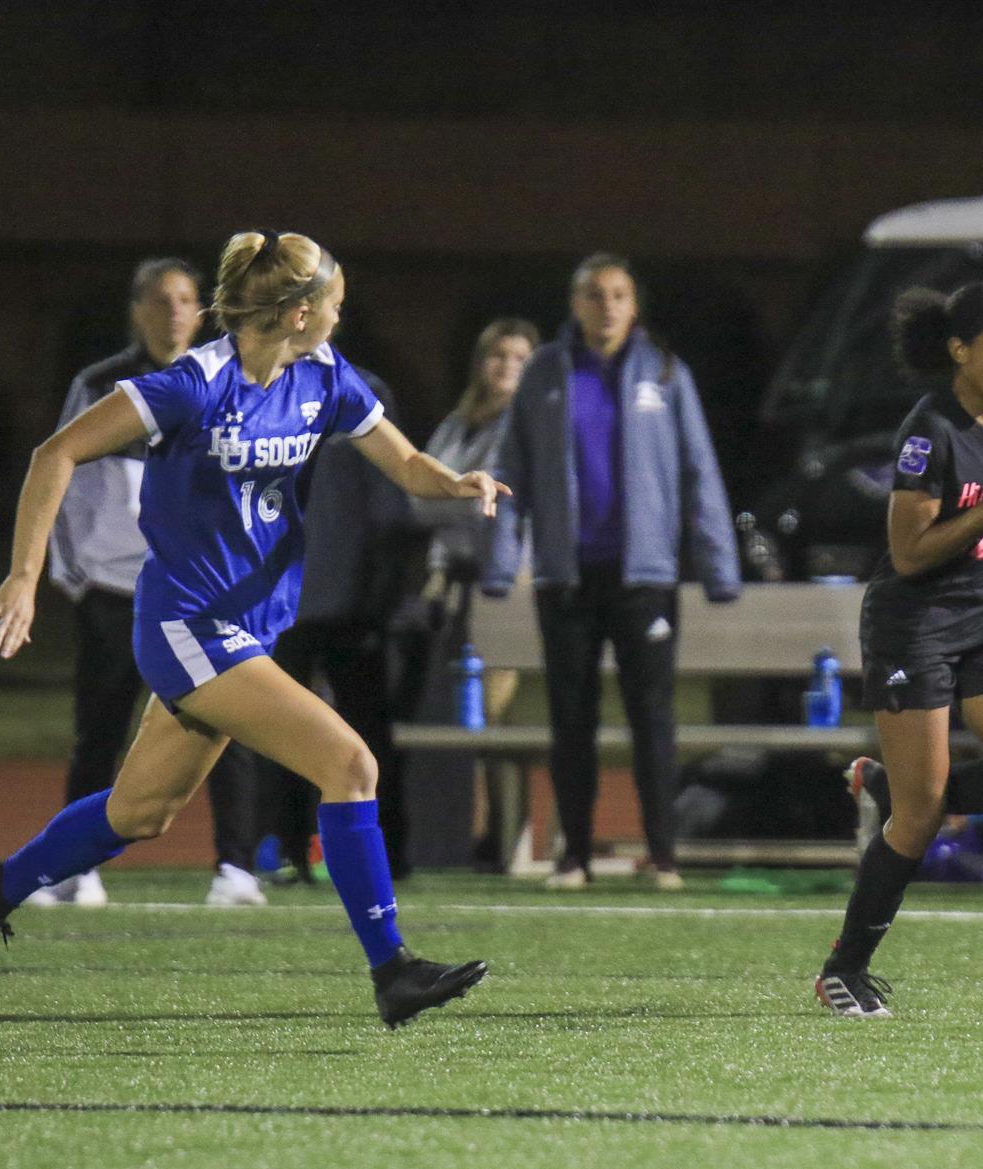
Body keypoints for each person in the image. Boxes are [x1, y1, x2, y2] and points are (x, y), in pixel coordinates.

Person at [0, 229, 498, 1027]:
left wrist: (457, 482)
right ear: (301, 310)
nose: (342, 321)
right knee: (350, 762)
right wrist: (25, 575)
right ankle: (392, 970)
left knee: (140, 814)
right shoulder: (194, 383)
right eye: (336, 307)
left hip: (247, 626)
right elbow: (57, 452)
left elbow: (406, 462)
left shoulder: (323, 377)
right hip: (188, 624)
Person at [818, 282, 983, 1016]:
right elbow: (909, 550)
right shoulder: (928, 430)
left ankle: (895, 790)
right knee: (920, 823)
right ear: (959, 352)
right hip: (914, 626)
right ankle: (844, 968)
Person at [485, 255, 740, 891]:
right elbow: (509, 467)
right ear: (575, 303)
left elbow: (697, 468)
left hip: (644, 575)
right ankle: (573, 858)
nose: (607, 306)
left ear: (635, 305)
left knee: (651, 714)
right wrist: (498, 562)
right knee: (572, 719)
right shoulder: (545, 372)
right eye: (595, 295)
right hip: (566, 576)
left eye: (619, 295)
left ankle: (663, 856)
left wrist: (717, 566)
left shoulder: (664, 371)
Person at [39, 257, 264, 908]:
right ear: (136, 310)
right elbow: (67, 482)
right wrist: (75, 574)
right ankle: (78, 869)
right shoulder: (102, 384)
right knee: (102, 729)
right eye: (161, 300)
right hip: (117, 593)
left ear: (204, 311)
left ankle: (237, 870)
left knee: (229, 726)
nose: (174, 311)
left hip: (203, 596)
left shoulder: (229, 383)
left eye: (186, 299)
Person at [256, 366, 417, 880]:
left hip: (350, 605)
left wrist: (379, 597)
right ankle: (287, 848)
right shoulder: (248, 383)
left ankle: (385, 852)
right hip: (278, 601)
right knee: (282, 732)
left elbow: (392, 505)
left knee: (365, 733)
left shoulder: (362, 389)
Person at [409, 318, 540, 869]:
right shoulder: (458, 424)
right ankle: (457, 837)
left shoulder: (532, 423)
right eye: (496, 354)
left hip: (505, 584)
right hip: (448, 584)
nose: (506, 364)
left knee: (494, 715)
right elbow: (418, 496)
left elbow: (506, 503)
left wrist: (456, 497)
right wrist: (465, 498)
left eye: (518, 355)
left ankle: (504, 841)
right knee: (450, 715)